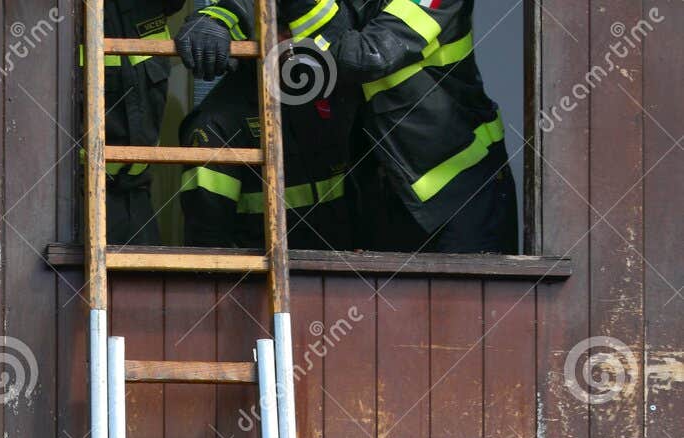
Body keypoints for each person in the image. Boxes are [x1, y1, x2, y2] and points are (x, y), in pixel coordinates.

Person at [176, 0, 517, 254]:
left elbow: (368, 56)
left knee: (465, 328)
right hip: (385, 193)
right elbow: (268, 8)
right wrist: (214, 19)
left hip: (462, 192)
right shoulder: (217, 122)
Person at [178, 52, 358, 250]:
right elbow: (207, 237)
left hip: (338, 269)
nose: (291, 37)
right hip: (261, 274)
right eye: (279, 28)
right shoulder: (216, 124)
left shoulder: (324, 92)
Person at [101, 5, 182, 244]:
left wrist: (211, 20)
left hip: (136, 200)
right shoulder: (63, 17)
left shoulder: (148, 10)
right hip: (69, 203)